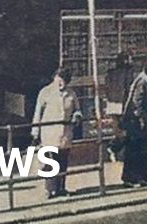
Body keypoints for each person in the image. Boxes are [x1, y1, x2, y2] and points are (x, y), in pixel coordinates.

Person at [32, 67, 81, 200]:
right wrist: (35, 132)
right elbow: (38, 113)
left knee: (62, 161)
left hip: (65, 133)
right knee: (50, 161)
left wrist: (77, 116)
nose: (61, 83)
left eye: (64, 80)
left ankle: (61, 188)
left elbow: (77, 109)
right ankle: (49, 189)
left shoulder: (71, 93)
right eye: (59, 79)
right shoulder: (45, 92)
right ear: (54, 78)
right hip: (49, 132)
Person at [121, 62, 147, 187]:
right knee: (136, 150)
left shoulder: (145, 81)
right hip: (136, 122)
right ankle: (132, 178)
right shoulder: (142, 82)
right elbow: (137, 101)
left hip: (139, 121)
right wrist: (141, 118)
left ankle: (142, 178)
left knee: (141, 150)